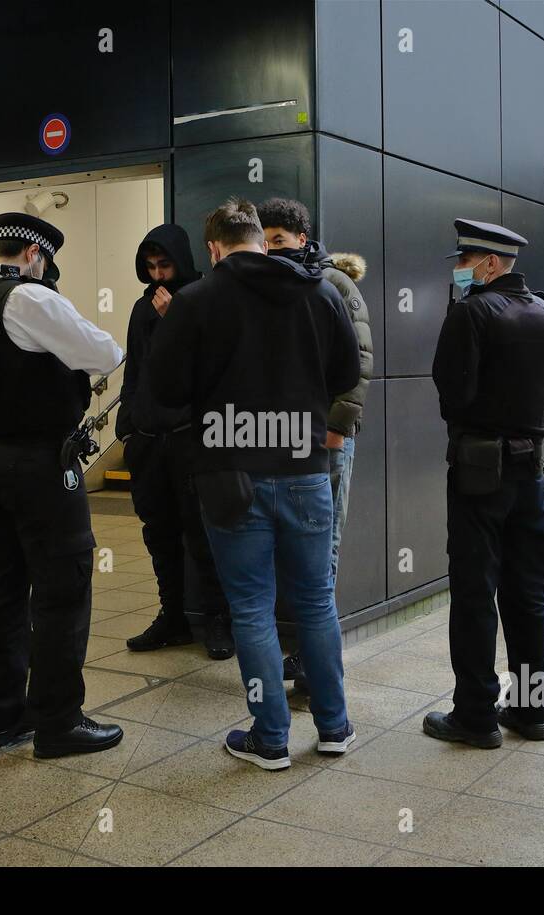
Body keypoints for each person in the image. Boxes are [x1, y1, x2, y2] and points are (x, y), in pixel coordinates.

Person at [149, 198, 360, 770]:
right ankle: (335, 726)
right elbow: (345, 376)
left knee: (250, 609)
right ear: (262, 242)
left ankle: (270, 738)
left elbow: (163, 390)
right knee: (317, 602)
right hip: (305, 470)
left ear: (214, 247)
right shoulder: (321, 293)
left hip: (229, 474)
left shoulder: (196, 301)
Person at [0, 212, 126, 758]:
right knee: (62, 592)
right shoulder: (32, 299)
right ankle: (59, 720)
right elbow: (106, 354)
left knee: (0, 594)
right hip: (40, 464)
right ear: (36, 256)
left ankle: (2, 716)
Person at [425, 219, 544, 749]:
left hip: (479, 473)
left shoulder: (471, 312)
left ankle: (476, 716)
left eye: (464, 262)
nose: (458, 271)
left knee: (474, 594)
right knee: (529, 597)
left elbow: (452, 396)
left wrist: (454, 312)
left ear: (486, 264)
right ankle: (531, 712)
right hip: (532, 474)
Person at [256, 198, 373, 688]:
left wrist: (337, 427)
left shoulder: (335, 284)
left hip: (323, 438)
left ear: (303, 239)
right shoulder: (270, 287)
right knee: (296, 548)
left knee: (322, 545)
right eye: (264, 243)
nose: (270, 250)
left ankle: (315, 665)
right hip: (281, 437)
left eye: (279, 241)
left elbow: (360, 359)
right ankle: (307, 654)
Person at [115, 224, 234, 660]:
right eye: (150, 267)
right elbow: (135, 372)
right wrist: (126, 429)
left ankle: (218, 618)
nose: (158, 275)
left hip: (191, 437)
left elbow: (209, 364)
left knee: (202, 533)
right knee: (159, 533)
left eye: (165, 265)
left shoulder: (200, 298)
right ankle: (172, 616)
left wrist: (173, 320)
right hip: (148, 439)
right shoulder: (141, 306)